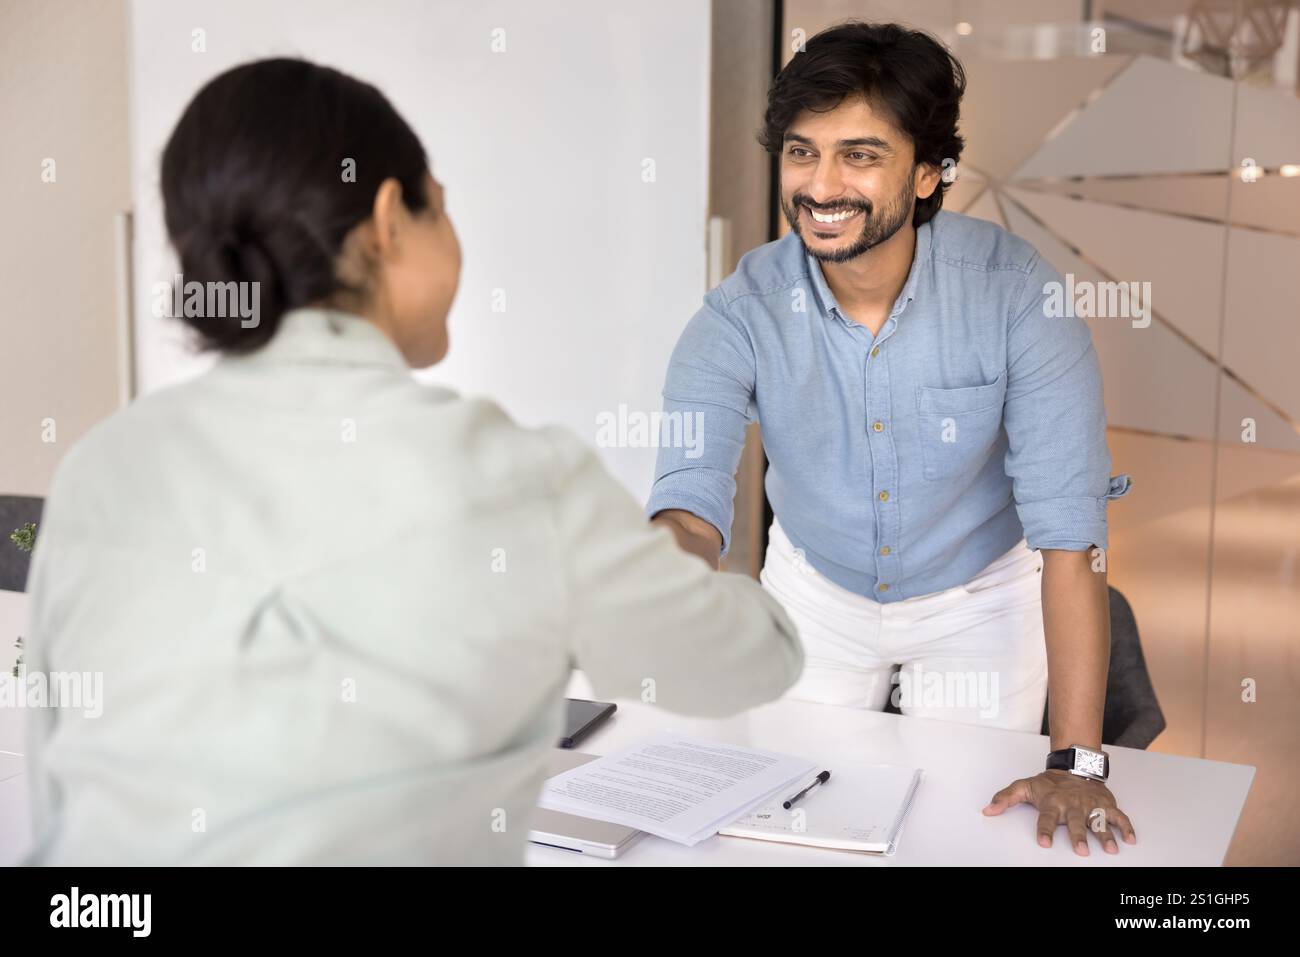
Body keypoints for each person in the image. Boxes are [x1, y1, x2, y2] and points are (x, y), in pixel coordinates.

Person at [23, 58, 801, 865]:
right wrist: (655, 560)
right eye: (444, 208)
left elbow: (55, 798)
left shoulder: (102, 466)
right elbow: (752, 660)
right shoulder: (510, 477)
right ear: (391, 217)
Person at [646, 22, 1136, 856]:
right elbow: (690, 507)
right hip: (816, 590)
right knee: (791, 819)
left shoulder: (1015, 297)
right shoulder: (742, 309)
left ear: (925, 172)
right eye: (802, 153)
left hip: (979, 595)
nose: (821, 184)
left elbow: (1069, 537)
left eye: (860, 155)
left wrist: (1080, 762)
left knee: (964, 822)